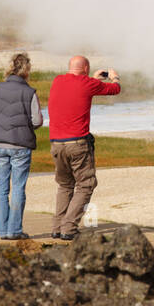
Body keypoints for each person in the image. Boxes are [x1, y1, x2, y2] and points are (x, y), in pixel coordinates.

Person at [47, 55, 120, 239]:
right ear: (86, 68)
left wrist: (93, 79)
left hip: (56, 144)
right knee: (86, 184)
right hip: (77, 143)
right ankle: (69, 228)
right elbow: (115, 90)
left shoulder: (58, 81)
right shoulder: (88, 83)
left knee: (64, 185)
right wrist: (114, 77)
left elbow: (78, 88)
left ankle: (57, 227)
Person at [0, 52, 44, 240]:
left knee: (1, 189)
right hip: (20, 145)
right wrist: (26, 125)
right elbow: (37, 120)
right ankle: (14, 231)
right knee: (18, 187)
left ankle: (3, 232)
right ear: (27, 70)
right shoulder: (30, 92)